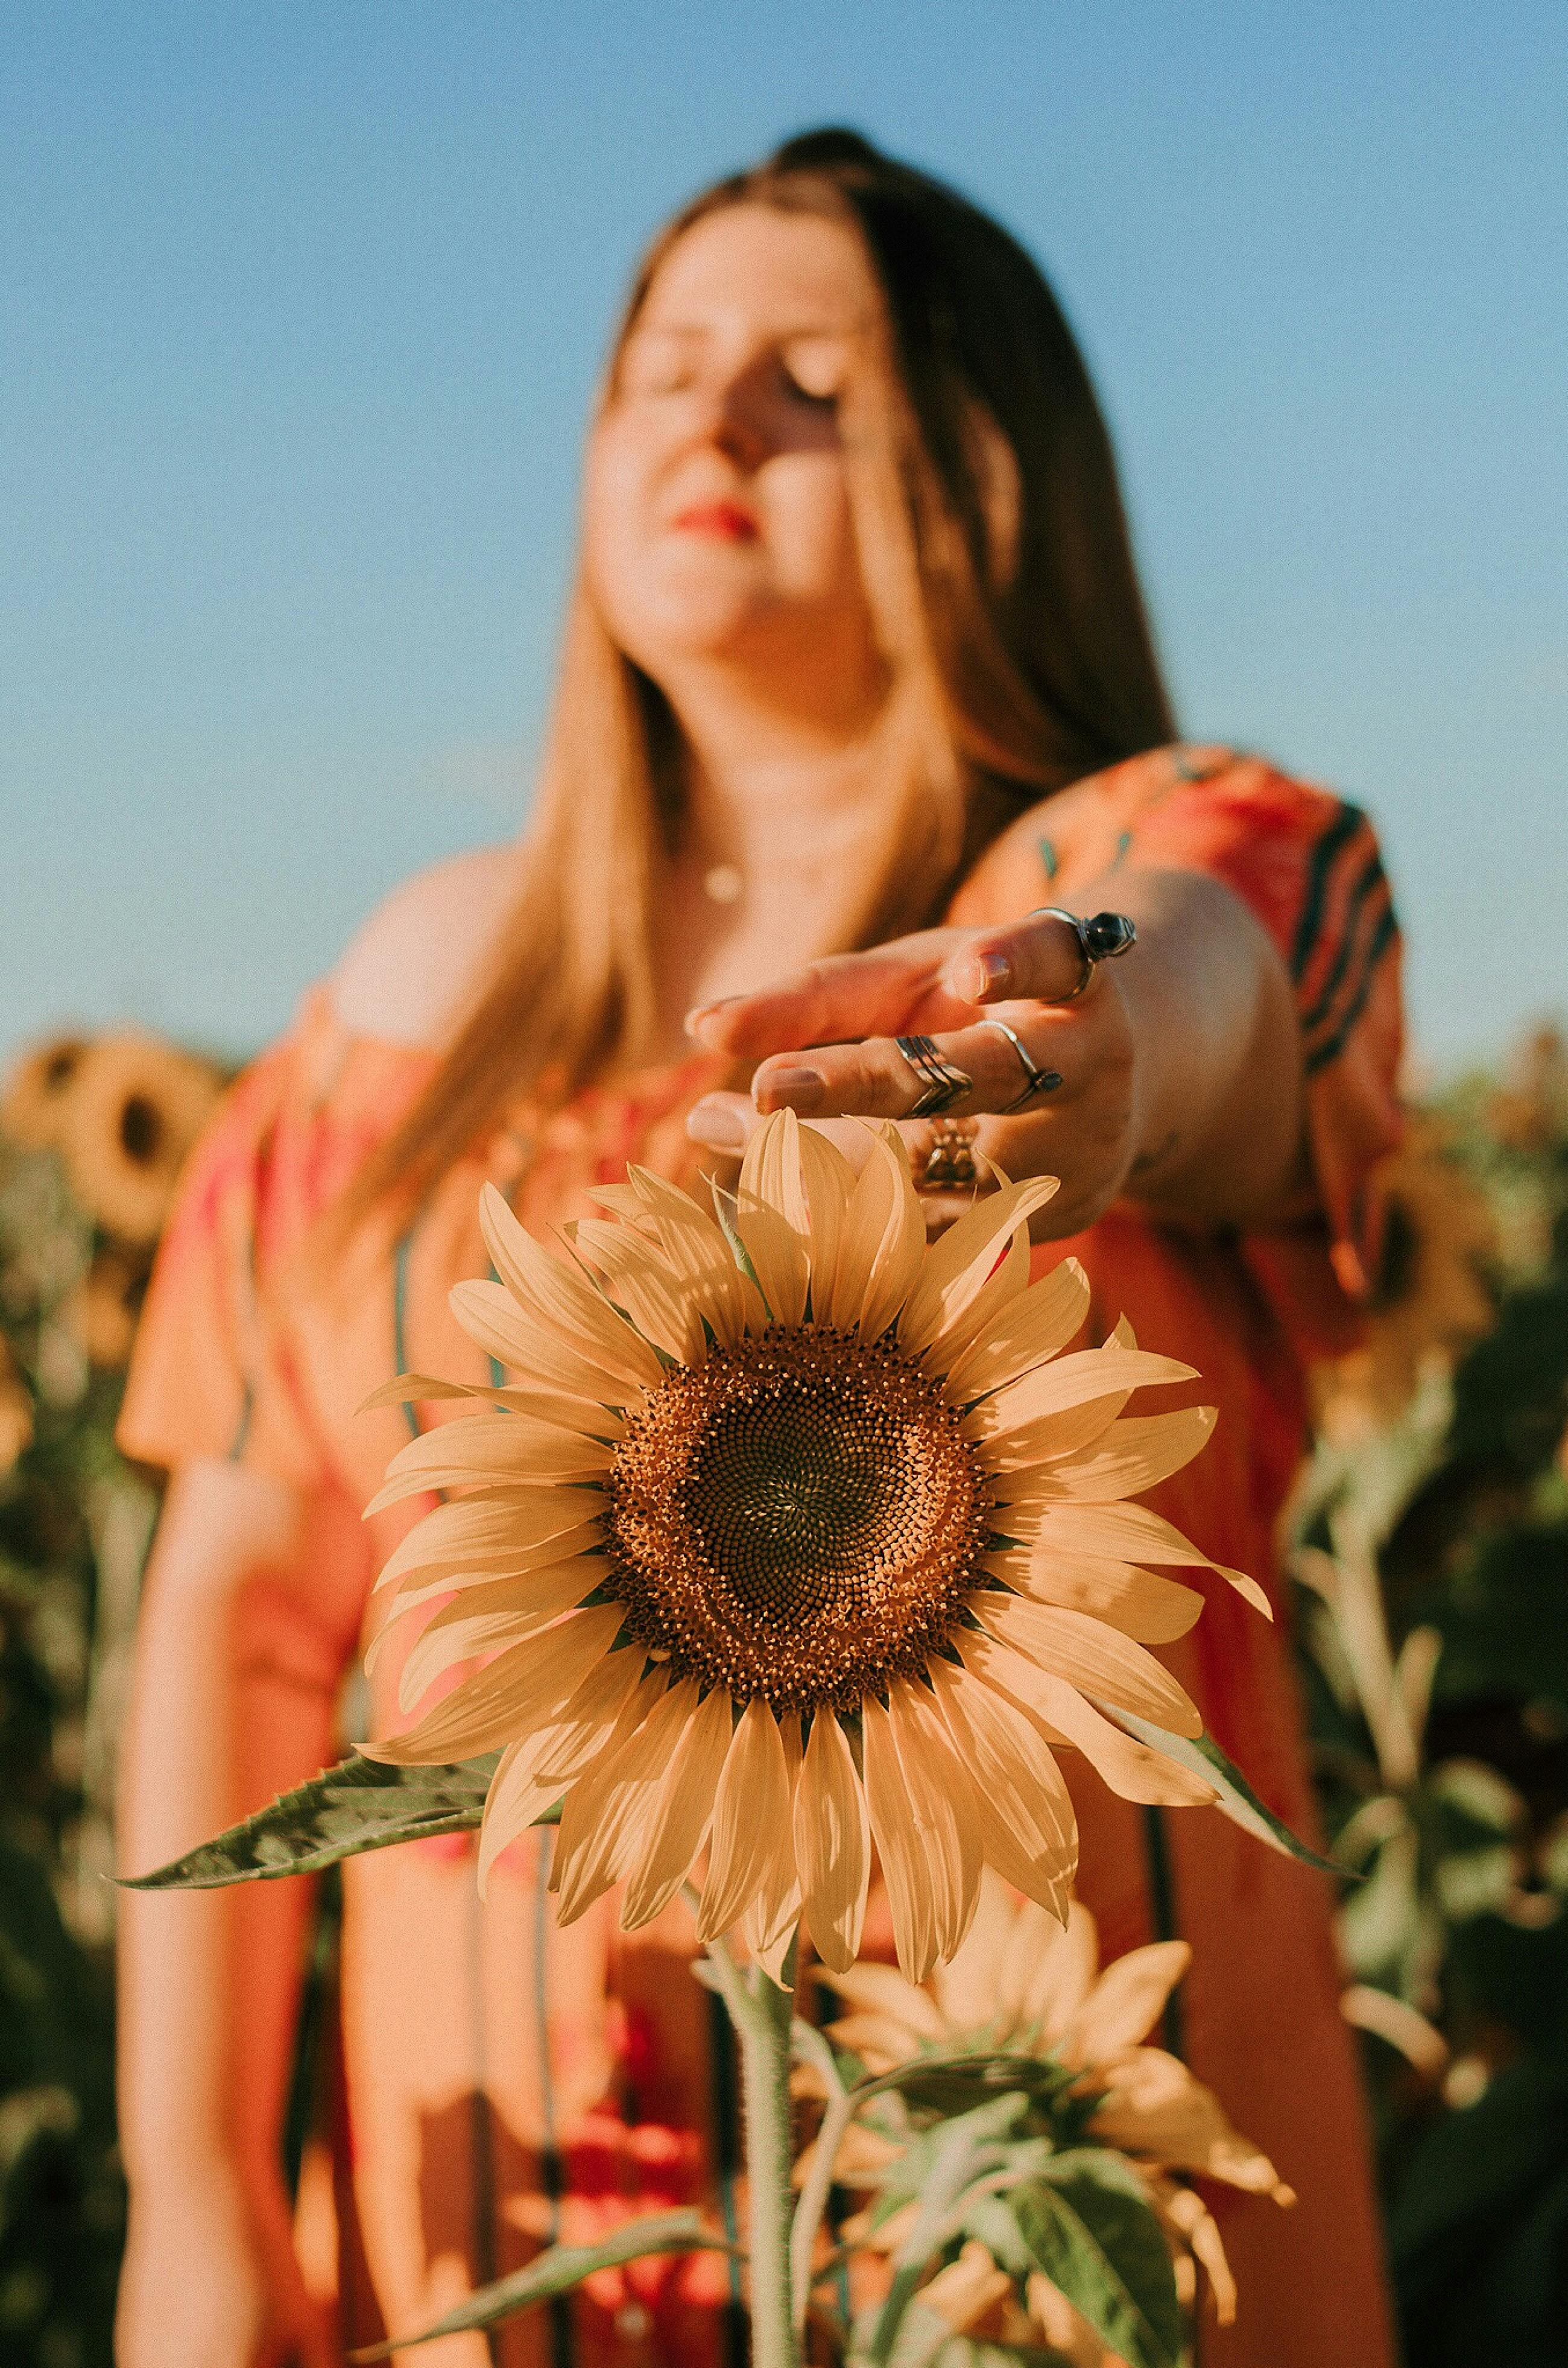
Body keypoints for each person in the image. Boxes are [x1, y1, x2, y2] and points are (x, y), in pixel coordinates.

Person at [113, 129, 1402, 2368]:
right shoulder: (411, 1012)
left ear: (996, 476)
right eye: (661, 370)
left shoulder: (1109, 879)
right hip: (509, 2237)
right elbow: (245, 1611)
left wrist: (1099, 1045)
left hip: (1067, 2234)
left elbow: (1214, 951)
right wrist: (195, 2215)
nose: (714, 422)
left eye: (815, 383)